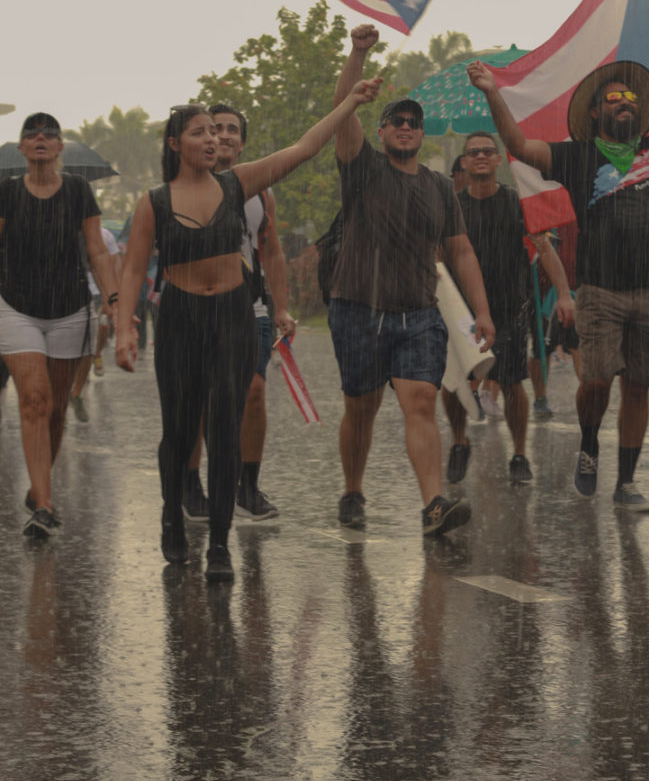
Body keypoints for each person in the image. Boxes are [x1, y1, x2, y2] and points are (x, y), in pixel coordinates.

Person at [468, 12, 649, 513]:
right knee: (595, 382)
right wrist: (494, 94)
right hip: (600, 291)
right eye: (614, 99)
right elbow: (517, 146)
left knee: (638, 387)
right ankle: (590, 441)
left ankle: (627, 483)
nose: (625, 104)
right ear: (595, 114)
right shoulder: (577, 156)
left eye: (631, 99)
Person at [116, 77, 381, 582]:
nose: (211, 140)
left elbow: (304, 148)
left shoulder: (240, 184)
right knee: (178, 430)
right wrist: (124, 326)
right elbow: (132, 270)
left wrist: (350, 100)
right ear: (175, 144)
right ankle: (172, 514)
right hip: (179, 318)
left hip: (232, 318)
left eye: (214, 133)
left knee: (223, 429)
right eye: (198, 133)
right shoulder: (154, 201)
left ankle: (219, 545)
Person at [329, 24, 494, 538]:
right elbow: (342, 113)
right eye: (396, 121)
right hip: (358, 307)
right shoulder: (363, 168)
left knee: (420, 399)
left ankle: (433, 506)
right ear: (381, 131)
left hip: (418, 313)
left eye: (413, 123)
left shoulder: (441, 188)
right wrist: (357, 58)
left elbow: (460, 250)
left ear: (422, 135)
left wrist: (482, 312)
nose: (406, 127)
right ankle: (354, 488)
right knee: (361, 407)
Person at [0, 113, 119, 538]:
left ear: (61, 146)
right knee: (33, 399)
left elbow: (97, 252)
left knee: (56, 407)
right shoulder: (6, 193)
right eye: (32, 134)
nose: (40, 139)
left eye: (50, 133)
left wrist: (114, 299)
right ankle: (45, 506)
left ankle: (39, 486)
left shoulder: (77, 191)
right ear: (21, 149)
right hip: (16, 308)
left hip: (70, 309)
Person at [182, 103, 294, 523]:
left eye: (232, 129)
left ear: (243, 143)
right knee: (194, 399)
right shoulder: (181, 187)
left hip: (251, 307)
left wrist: (281, 306)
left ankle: (248, 486)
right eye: (215, 128)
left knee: (253, 392)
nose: (223, 135)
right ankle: (191, 484)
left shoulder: (261, 190)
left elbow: (273, 250)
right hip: (196, 307)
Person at [441, 132, 573, 485]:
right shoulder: (452, 207)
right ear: (464, 163)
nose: (481, 156)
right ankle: (458, 442)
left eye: (488, 151)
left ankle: (519, 454)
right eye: (474, 152)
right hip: (462, 312)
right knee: (455, 384)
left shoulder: (517, 203)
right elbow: (437, 257)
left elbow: (544, 249)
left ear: (498, 160)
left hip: (510, 308)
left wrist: (563, 292)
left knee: (513, 385)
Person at [70, 223, 122, 422]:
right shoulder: (66, 231)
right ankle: (61, 403)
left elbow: (113, 263)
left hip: (98, 293)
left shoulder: (104, 236)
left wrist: (113, 297)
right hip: (73, 292)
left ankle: (77, 389)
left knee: (98, 333)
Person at [528, 225, 581, 421]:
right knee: (541, 348)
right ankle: (540, 398)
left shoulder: (577, 215)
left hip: (576, 290)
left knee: (579, 346)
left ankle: (588, 394)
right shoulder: (541, 216)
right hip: (542, 292)